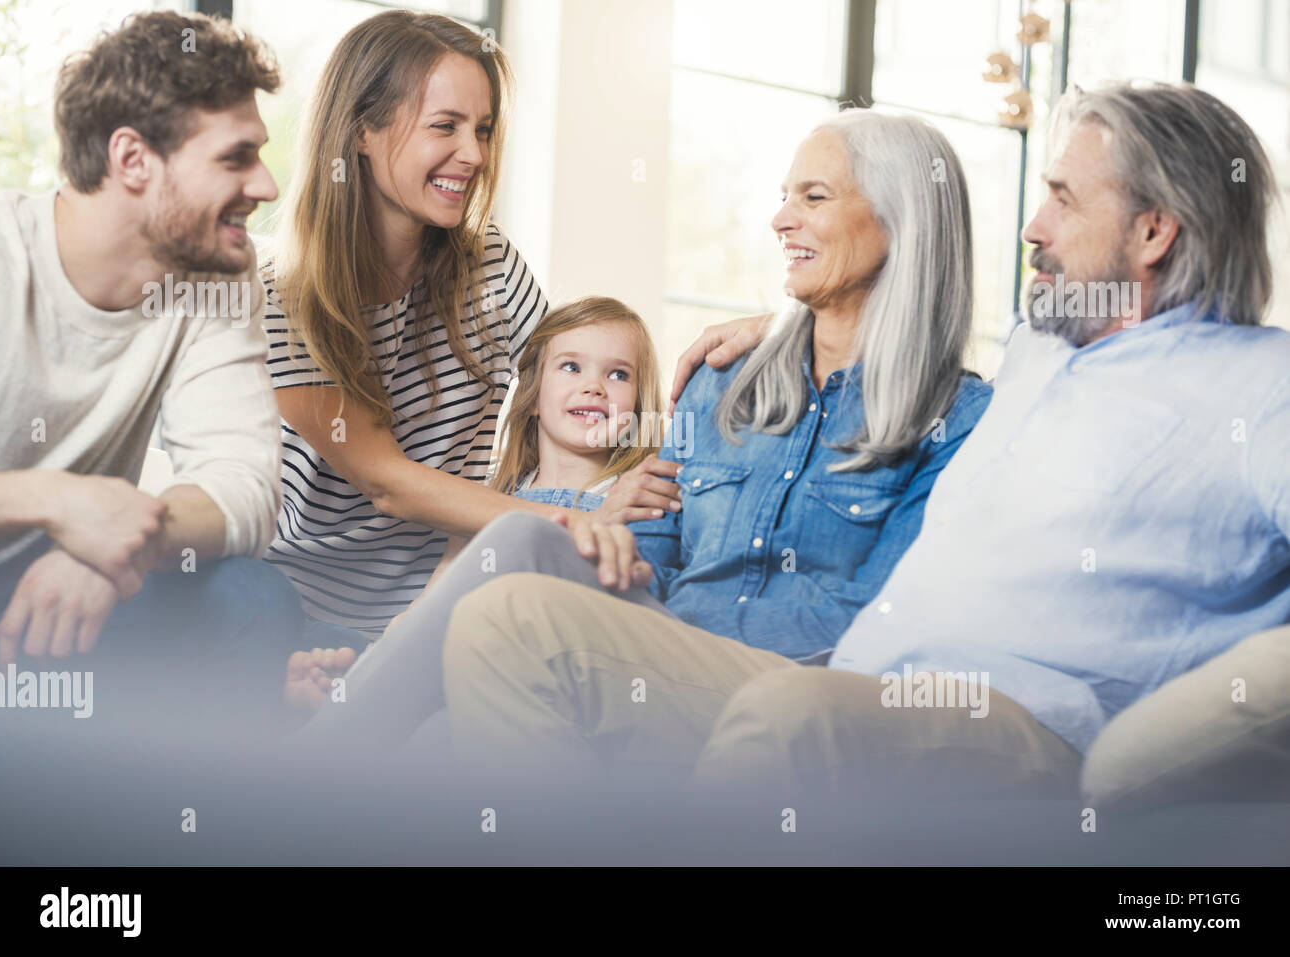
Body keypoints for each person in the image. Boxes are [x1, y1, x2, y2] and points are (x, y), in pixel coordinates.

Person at [446, 83, 1290, 797]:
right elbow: (882, 330)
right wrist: (779, 332)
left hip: (1013, 714)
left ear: (1153, 231)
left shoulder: (1260, 386)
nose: (1032, 229)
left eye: (1064, 200)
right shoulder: (1044, 348)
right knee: (505, 618)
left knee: (792, 718)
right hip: (857, 677)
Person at [326, 107, 991, 750]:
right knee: (517, 549)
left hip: (791, 680)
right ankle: (322, 751)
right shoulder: (724, 379)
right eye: (784, 197)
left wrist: (682, 628)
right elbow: (653, 546)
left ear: (901, 220)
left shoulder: (960, 419)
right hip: (657, 639)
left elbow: (876, 613)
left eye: (812, 198)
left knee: (494, 651)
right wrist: (622, 555)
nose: (780, 220)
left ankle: (306, 773)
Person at [261, 10, 761, 651]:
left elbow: (575, 378)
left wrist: (773, 337)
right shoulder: (276, 294)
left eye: (484, 130)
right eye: (445, 126)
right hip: (311, 617)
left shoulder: (486, 264)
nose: (473, 155)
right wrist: (578, 520)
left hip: (462, 594)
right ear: (362, 128)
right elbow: (388, 484)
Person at [0, 11, 307, 732]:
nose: (266, 186)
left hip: (66, 583)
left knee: (253, 598)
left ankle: (189, 832)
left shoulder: (214, 274)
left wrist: (116, 544)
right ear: (132, 159)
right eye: (237, 157)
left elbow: (245, 486)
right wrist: (58, 503)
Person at [286, 295, 665, 708]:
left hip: (537, 668)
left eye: (618, 374)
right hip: (451, 659)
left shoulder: (629, 496)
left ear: (638, 409)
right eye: (571, 367)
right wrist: (376, 661)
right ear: (534, 396)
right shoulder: (488, 496)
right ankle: (347, 690)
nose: (594, 386)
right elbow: (433, 601)